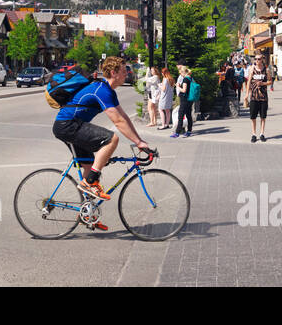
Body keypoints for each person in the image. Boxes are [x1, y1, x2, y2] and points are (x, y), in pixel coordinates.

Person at [51, 56, 151, 220]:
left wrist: (139, 140)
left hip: (71, 125)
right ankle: (89, 182)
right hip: (68, 125)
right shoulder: (101, 90)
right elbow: (118, 122)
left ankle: (86, 213)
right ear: (113, 72)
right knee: (111, 139)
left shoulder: (108, 91)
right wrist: (138, 142)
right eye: (124, 70)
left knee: (90, 165)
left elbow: (124, 117)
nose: (127, 73)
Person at [247, 55, 271, 142]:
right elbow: (249, 81)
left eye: (259, 59)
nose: (257, 60)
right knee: (253, 117)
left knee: (263, 116)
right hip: (253, 96)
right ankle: (253, 134)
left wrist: (263, 84)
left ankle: (262, 134)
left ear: (262, 60)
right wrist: (246, 94)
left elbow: (270, 81)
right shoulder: (252, 69)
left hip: (263, 97)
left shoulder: (266, 70)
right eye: (256, 59)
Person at [172, 65, 196, 138]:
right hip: (190, 99)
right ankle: (189, 131)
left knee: (181, 115)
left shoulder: (185, 79)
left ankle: (177, 132)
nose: (180, 75)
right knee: (189, 115)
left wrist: (178, 87)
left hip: (184, 99)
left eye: (180, 73)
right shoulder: (191, 78)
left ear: (183, 72)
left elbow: (184, 90)